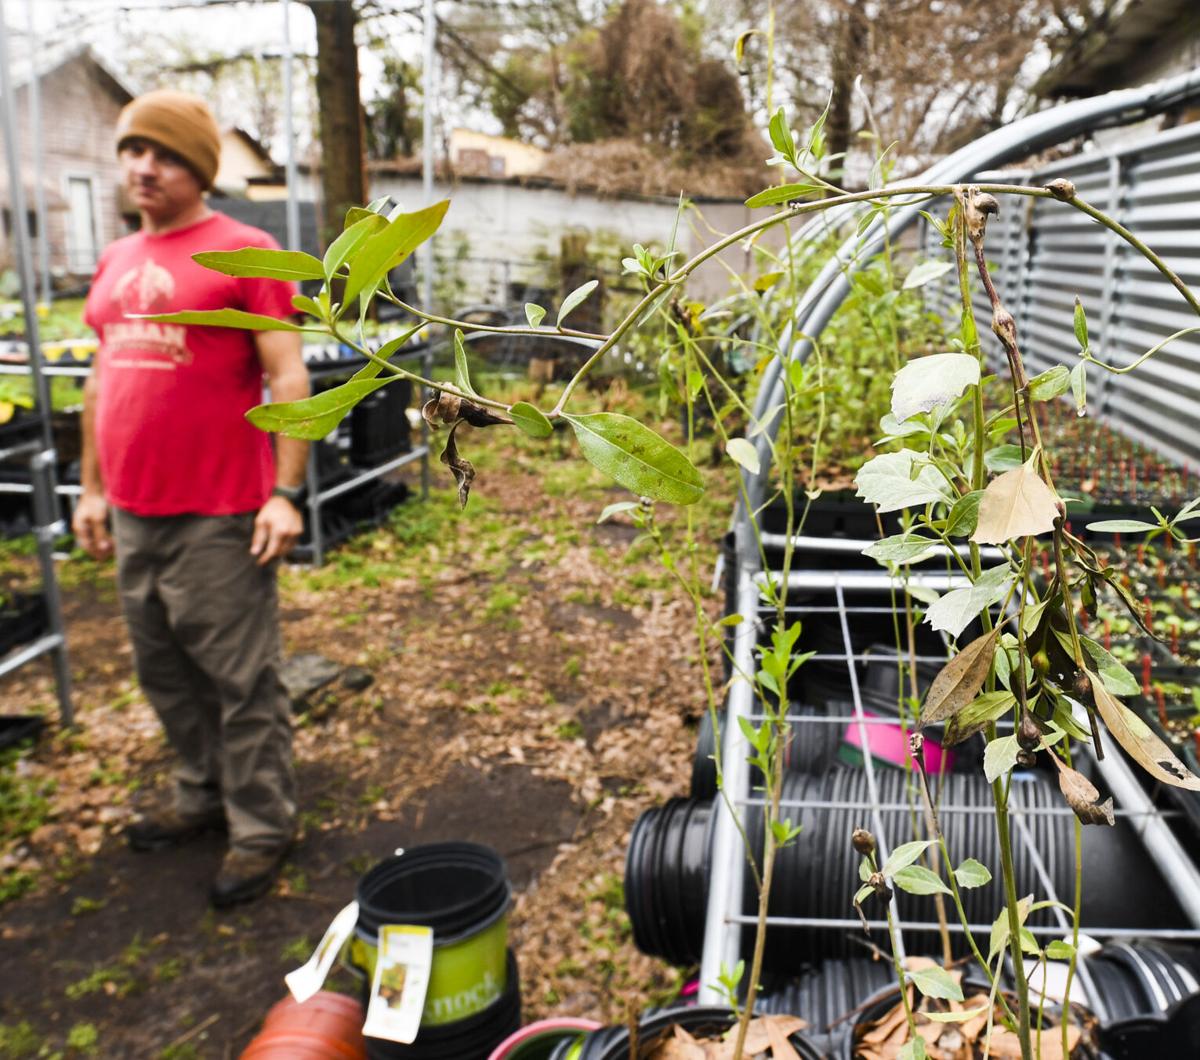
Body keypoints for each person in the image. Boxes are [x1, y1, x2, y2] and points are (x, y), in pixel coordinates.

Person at [73, 89, 310, 907]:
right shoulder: (115, 258)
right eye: (134, 150)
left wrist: (285, 493)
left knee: (241, 680)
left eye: (166, 154)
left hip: (220, 512)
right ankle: (200, 793)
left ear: (201, 170)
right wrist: (91, 489)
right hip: (134, 510)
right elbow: (101, 380)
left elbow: (288, 376)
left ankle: (262, 826)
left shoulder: (246, 252)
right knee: (165, 671)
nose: (145, 167)